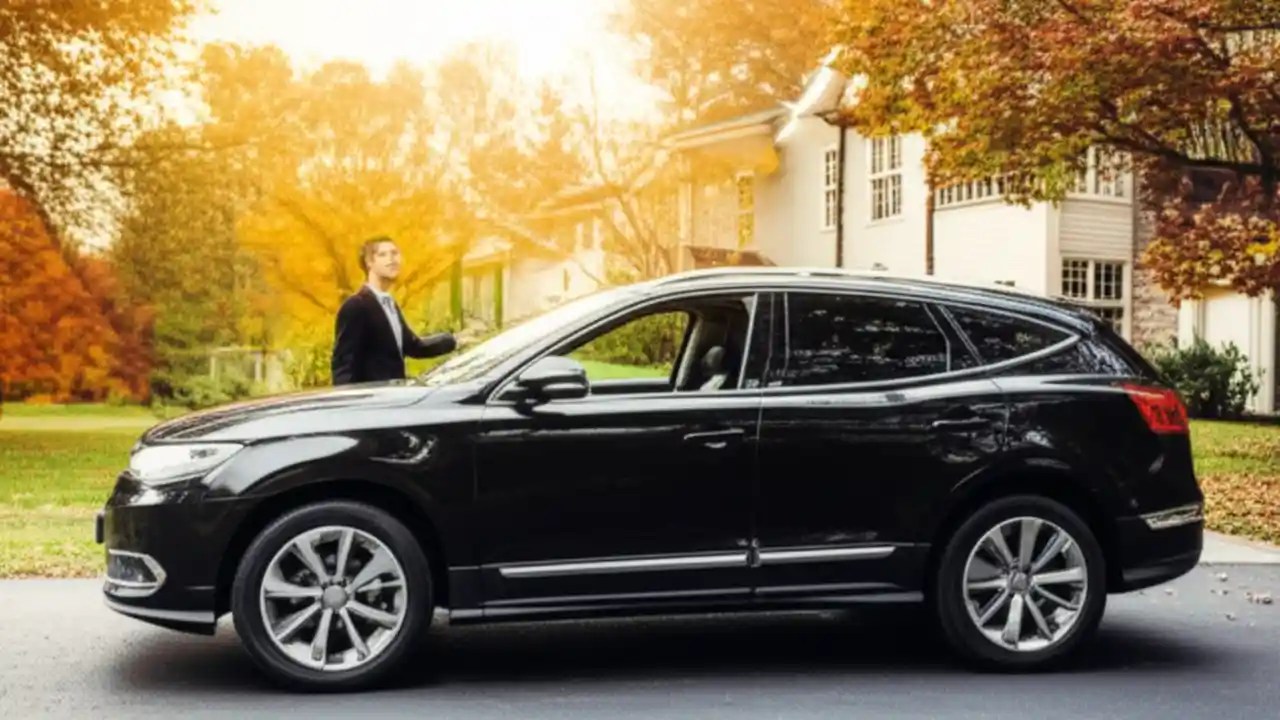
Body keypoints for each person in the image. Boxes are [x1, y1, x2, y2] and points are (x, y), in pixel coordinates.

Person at [331, 236, 456, 385]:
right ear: (369, 262)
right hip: (372, 401)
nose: (392, 259)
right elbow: (343, 363)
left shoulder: (390, 304)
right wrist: (348, 403)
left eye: (395, 253)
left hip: (394, 397)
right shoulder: (356, 306)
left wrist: (453, 340)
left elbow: (414, 347)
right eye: (382, 255)